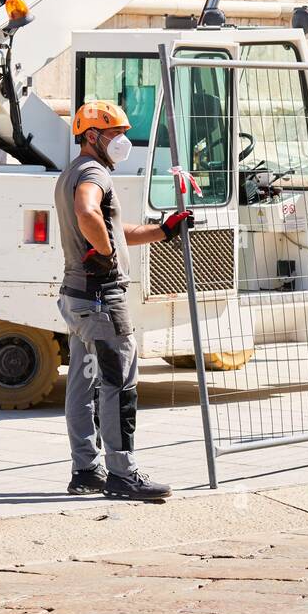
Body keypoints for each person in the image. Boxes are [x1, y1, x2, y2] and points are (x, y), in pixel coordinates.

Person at [55, 100, 192, 501]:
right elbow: (87, 212)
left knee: (81, 384)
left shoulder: (73, 171)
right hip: (102, 300)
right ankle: (122, 473)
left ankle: (86, 471)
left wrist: (163, 231)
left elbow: (113, 228)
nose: (123, 141)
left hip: (76, 297)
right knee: (118, 383)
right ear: (92, 137)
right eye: (115, 134)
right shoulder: (93, 172)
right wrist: (104, 255)